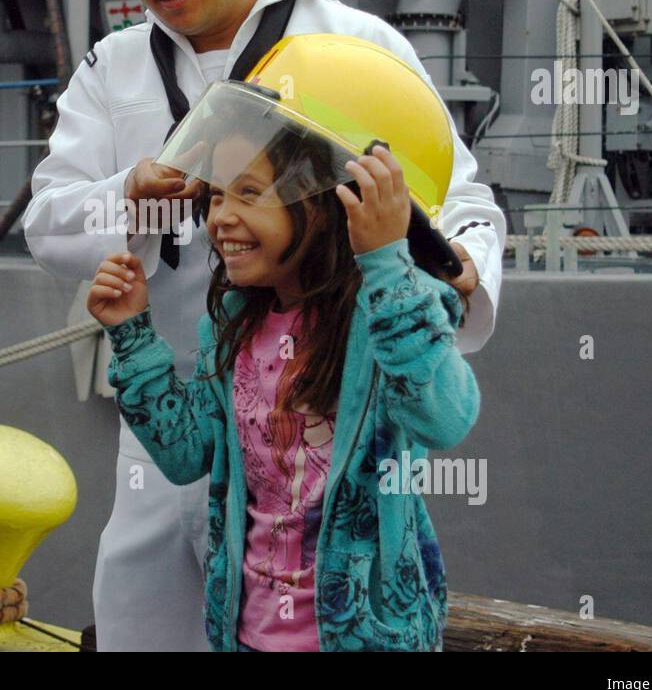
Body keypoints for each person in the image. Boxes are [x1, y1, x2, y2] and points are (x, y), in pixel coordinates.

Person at [23, 0, 505, 651]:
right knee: (147, 621)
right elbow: (47, 219)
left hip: (323, 415)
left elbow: (458, 201)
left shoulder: (357, 44)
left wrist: (443, 278)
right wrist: (126, 198)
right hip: (173, 416)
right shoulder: (111, 67)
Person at [86, 56, 480, 651]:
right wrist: (134, 335)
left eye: (248, 192)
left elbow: (445, 417)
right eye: (216, 196)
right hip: (246, 635)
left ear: (337, 200)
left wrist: (386, 263)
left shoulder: (396, 309)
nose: (220, 218)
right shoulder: (235, 323)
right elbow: (187, 453)